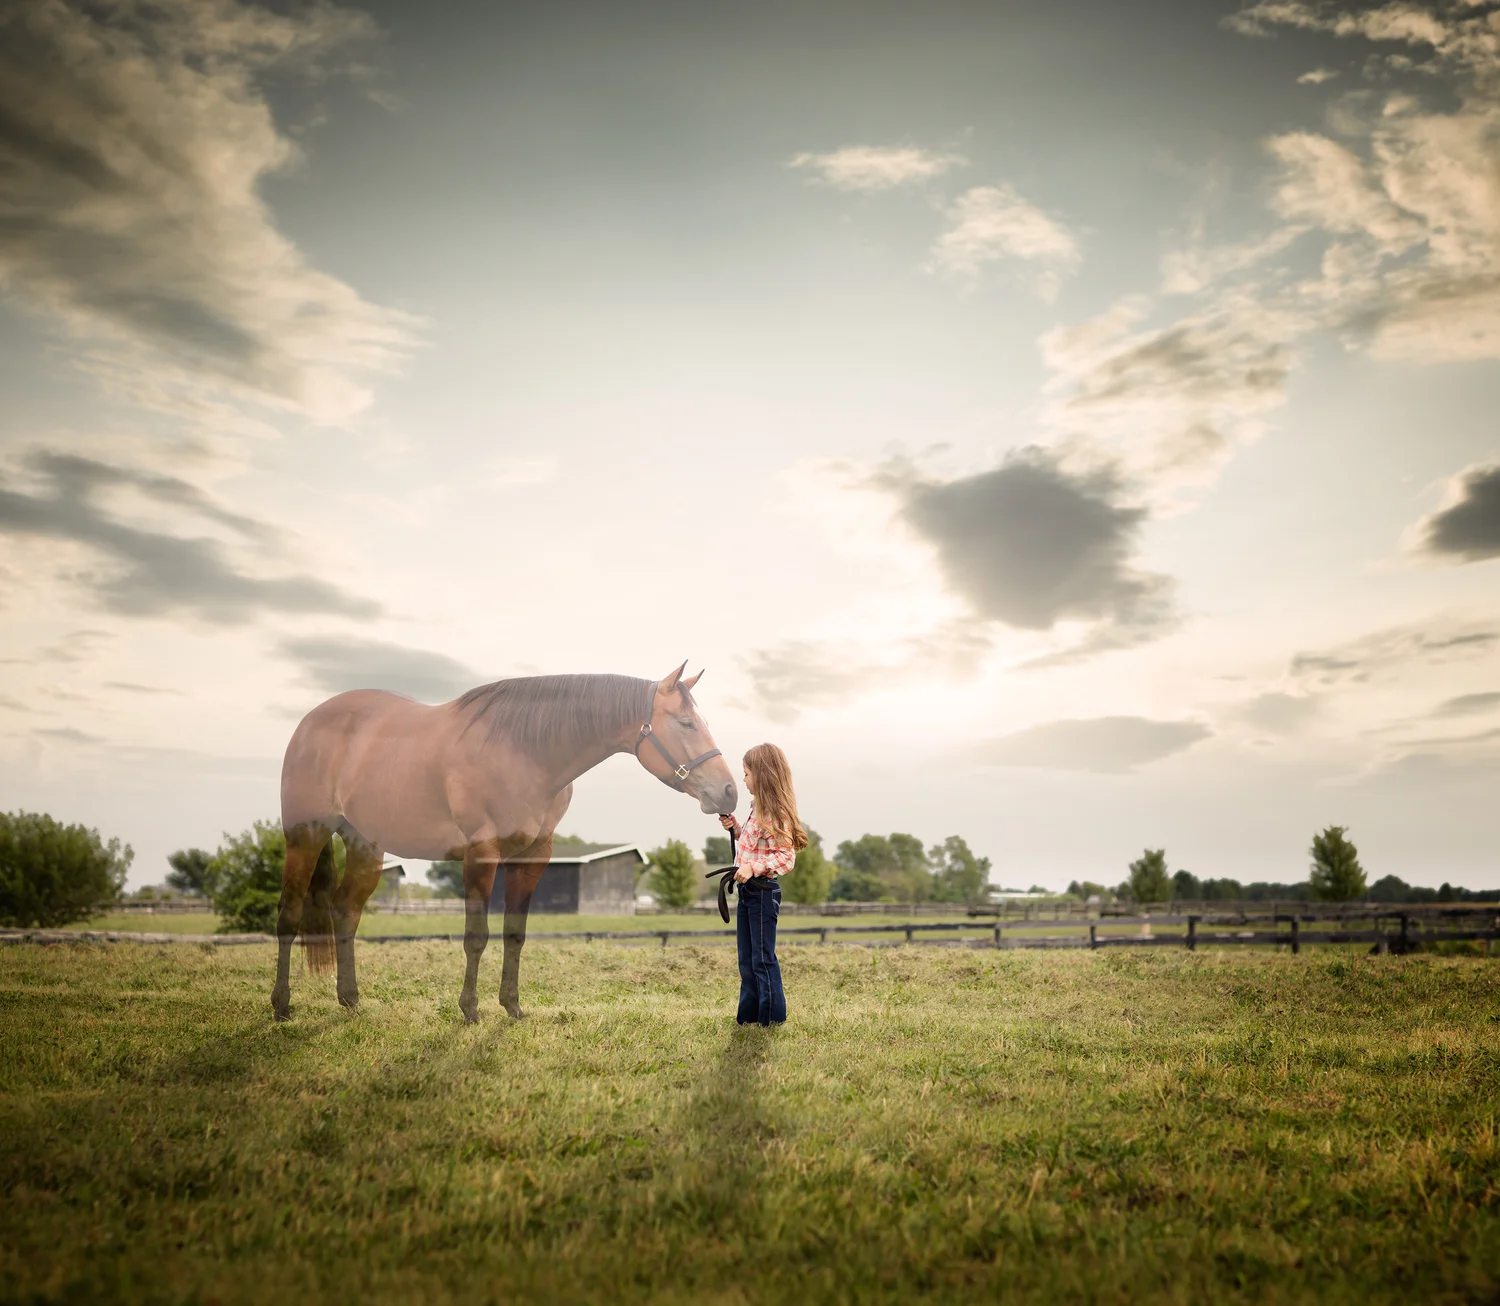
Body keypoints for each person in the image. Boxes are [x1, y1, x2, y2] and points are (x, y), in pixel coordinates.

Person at [718, 742, 808, 1026]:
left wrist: (752, 868)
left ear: (762, 774)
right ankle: (748, 1017)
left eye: (746, 773)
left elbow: (786, 857)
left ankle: (771, 1018)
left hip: (762, 894)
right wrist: (736, 828)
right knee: (746, 959)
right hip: (748, 893)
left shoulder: (776, 813)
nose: (743, 779)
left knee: (762, 959)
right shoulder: (757, 809)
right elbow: (755, 844)